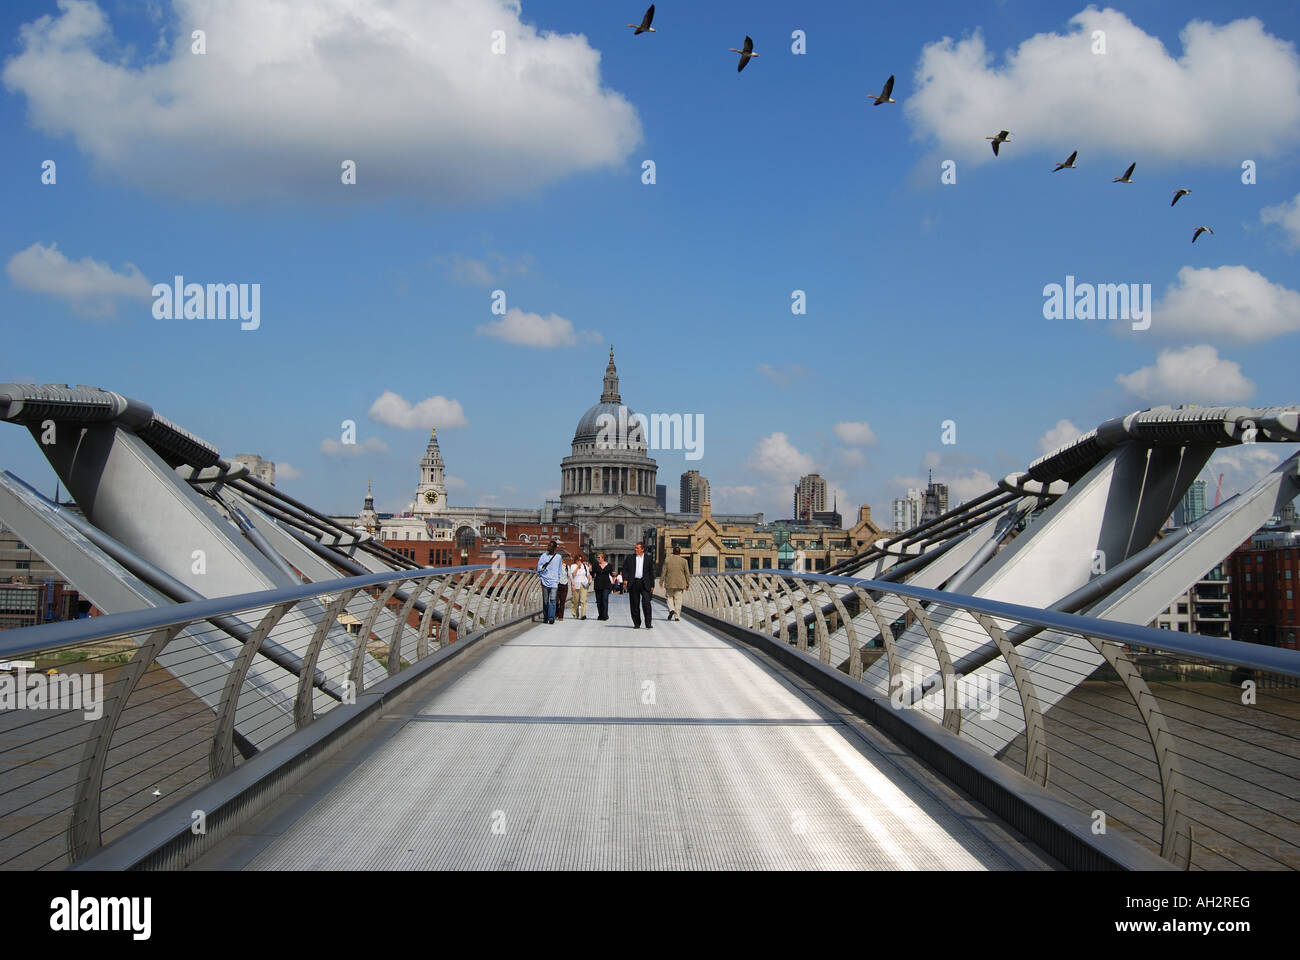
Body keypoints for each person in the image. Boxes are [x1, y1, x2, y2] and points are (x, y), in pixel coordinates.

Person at [620, 541, 655, 629]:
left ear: (642, 549)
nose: (635, 549)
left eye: (637, 548)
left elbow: (651, 572)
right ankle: (637, 623)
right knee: (634, 604)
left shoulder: (648, 558)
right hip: (634, 583)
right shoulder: (630, 558)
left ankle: (648, 623)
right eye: (635, 548)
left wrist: (652, 585)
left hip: (645, 583)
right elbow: (625, 569)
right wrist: (625, 579)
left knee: (646, 603)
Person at [536, 540, 564, 624]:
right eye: (548, 545)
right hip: (545, 580)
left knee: (552, 600)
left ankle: (551, 618)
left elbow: (559, 569)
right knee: (545, 601)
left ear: (554, 548)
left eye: (550, 546)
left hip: (554, 581)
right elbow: (538, 568)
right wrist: (543, 566)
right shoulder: (543, 556)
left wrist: (558, 579)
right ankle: (546, 617)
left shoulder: (558, 557)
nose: (548, 547)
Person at [662, 545, 690, 621]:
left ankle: (671, 609)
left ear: (673, 552)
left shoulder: (667, 560)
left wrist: (661, 581)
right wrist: (688, 583)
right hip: (680, 583)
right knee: (678, 600)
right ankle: (677, 616)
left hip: (669, 582)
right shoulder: (684, 561)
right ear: (680, 553)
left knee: (669, 597)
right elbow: (687, 573)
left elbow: (664, 572)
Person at [591, 553, 614, 620]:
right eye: (597, 557)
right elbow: (592, 574)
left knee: (604, 599)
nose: (598, 559)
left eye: (599, 557)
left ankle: (605, 615)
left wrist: (613, 575)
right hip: (598, 584)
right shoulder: (595, 565)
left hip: (606, 585)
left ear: (603, 558)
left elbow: (611, 574)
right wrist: (590, 571)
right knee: (599, 601)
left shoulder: (609, 565)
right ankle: (600, 615)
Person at [568, 554, 591, 619]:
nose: (579, 561)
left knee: (583, 600)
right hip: (576, 584)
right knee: (575, 601)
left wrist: (588, 581)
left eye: (581, 560)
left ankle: (583, 614)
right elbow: (573, 574)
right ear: (575, 560)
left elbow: (588, 574)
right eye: (578, 560)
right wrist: (578, 567)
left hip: (584, 584)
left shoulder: (585, 566)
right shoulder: (573, 566)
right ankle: (575, 614)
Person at [555, 551, 570, 620]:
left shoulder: (567, 567)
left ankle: (561, 616)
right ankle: (556, 614)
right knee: (555, 601)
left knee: (562, 601)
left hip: (564, 585)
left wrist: (572, 584)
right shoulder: (555, 567)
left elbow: (569, 576)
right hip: (557, 585)